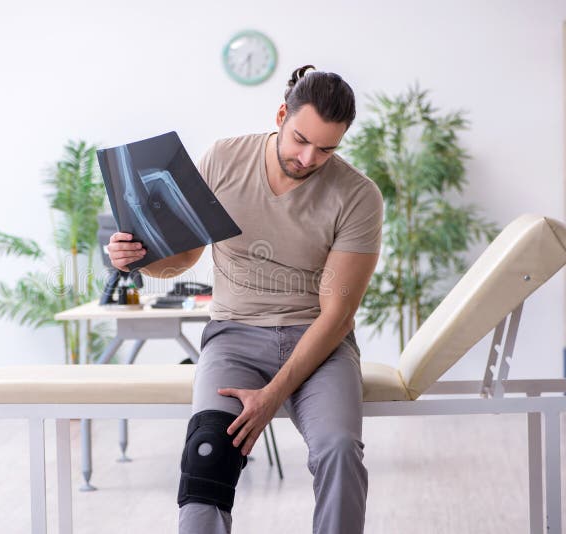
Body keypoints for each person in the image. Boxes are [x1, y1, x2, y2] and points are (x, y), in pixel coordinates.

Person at [107, 65, 383, 534]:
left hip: (319, 344)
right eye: (300, 139)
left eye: (327, 148)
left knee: (338, 448)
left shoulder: (357, 196)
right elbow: (184, 258)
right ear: (281, 114)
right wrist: (136, 261)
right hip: (234, 336)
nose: (309, 157)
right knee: (207, 453)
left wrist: (273, 395)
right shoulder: (222, 159)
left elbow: (338, 315)